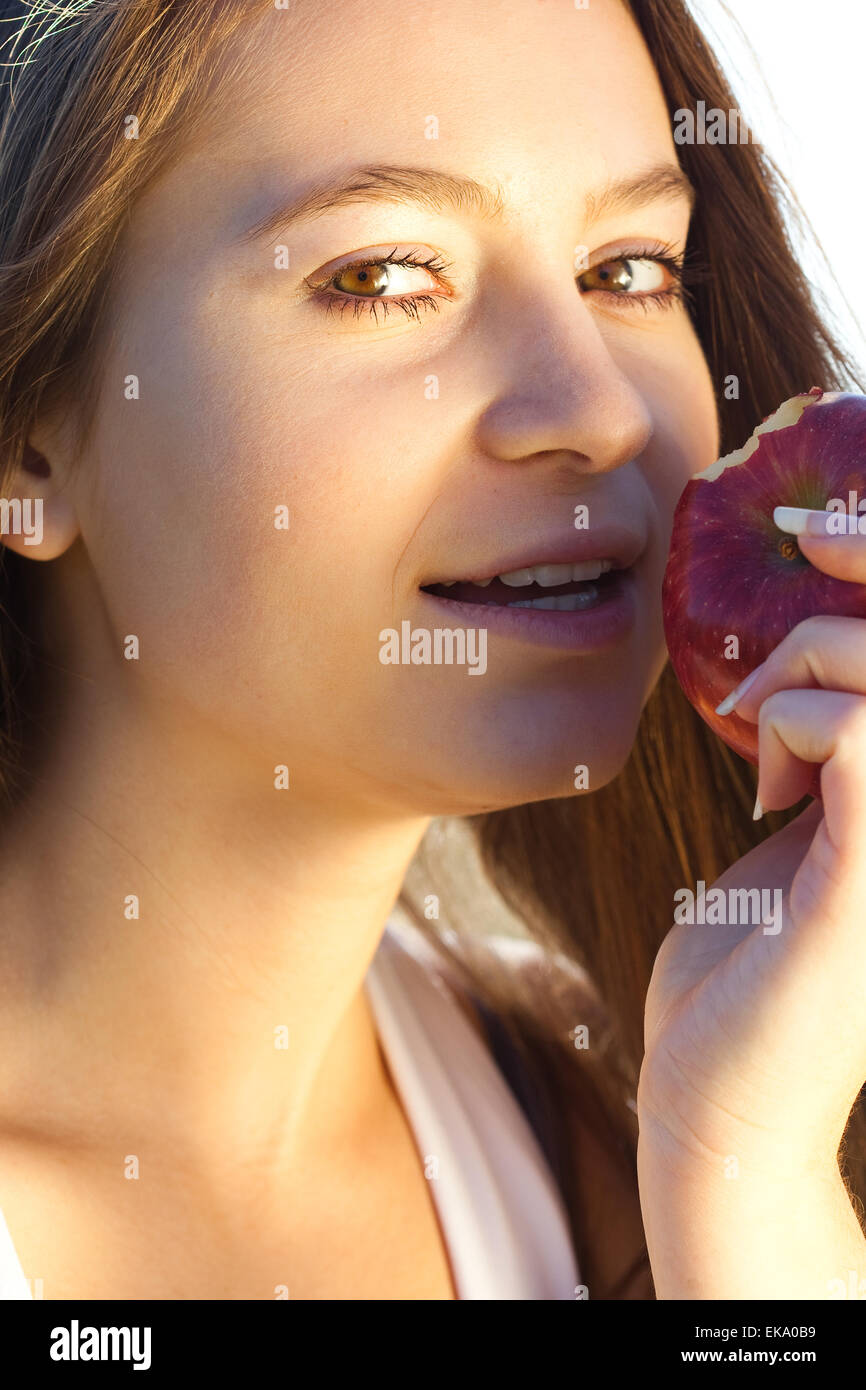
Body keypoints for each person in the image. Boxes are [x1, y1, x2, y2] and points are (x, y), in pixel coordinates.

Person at [0, 0, 863, 1301]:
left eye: (628, 268)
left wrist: (747, 1180)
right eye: (382, 276)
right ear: (29, 444)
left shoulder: (619, 1140)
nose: (593, 410)